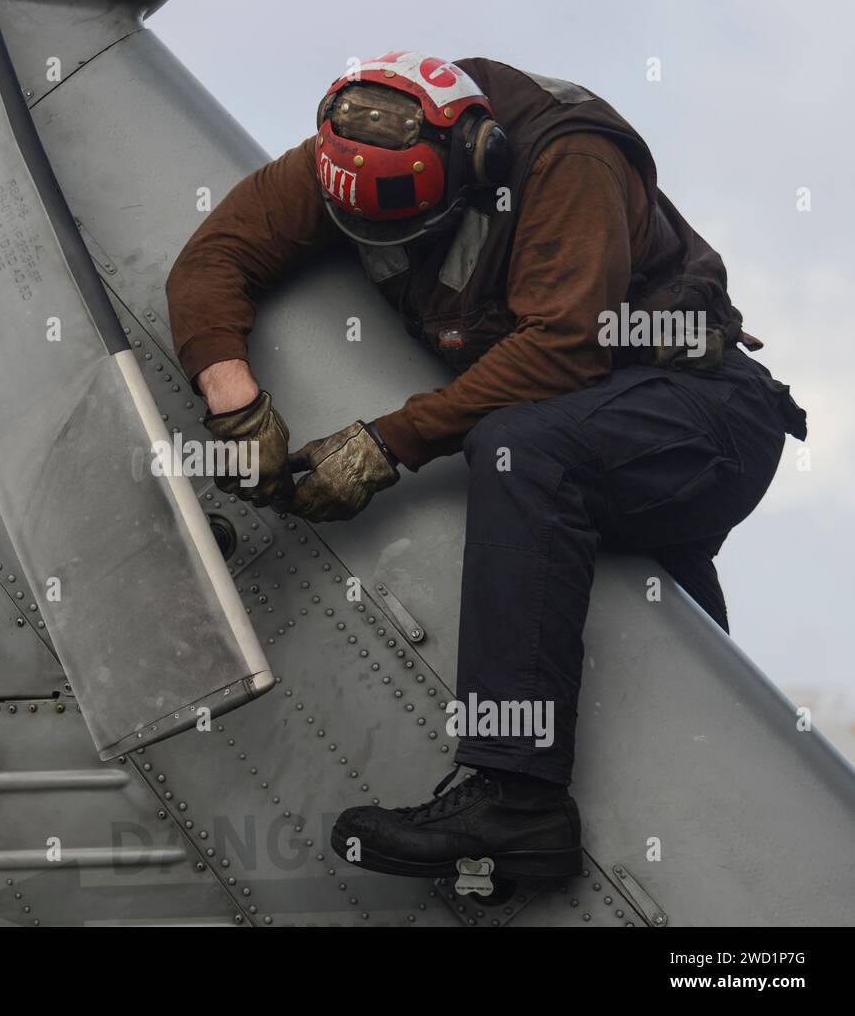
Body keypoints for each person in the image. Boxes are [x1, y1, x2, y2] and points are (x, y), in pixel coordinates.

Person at [164, 53, 807, 880]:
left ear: (476, 159)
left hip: (706, 417)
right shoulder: (357, 154)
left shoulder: (568, 159)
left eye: (414, 229)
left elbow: (562, 349)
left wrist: (383, 444)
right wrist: (234, 402)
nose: (388, 248)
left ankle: (520, 801)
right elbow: (217, 256)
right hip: (606, 434)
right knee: (671, 659)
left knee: (520, 447)